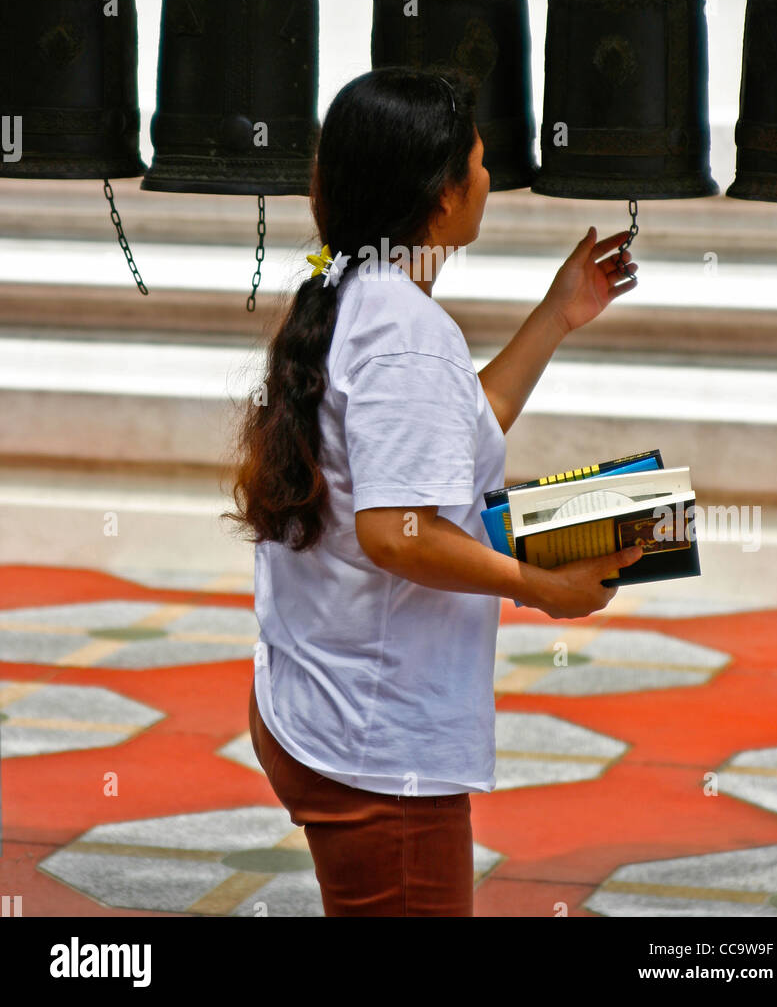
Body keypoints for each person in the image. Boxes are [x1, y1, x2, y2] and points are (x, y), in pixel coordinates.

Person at [226, 65, 642, 918]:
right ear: (443, 198)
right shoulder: (404, 330)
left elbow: (458, 423)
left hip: (327, 699)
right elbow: (398, 531)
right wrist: (541, 587)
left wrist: (558, 314)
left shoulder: (355, 290)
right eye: (480, 162)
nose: (491, 176)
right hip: (377, 738)